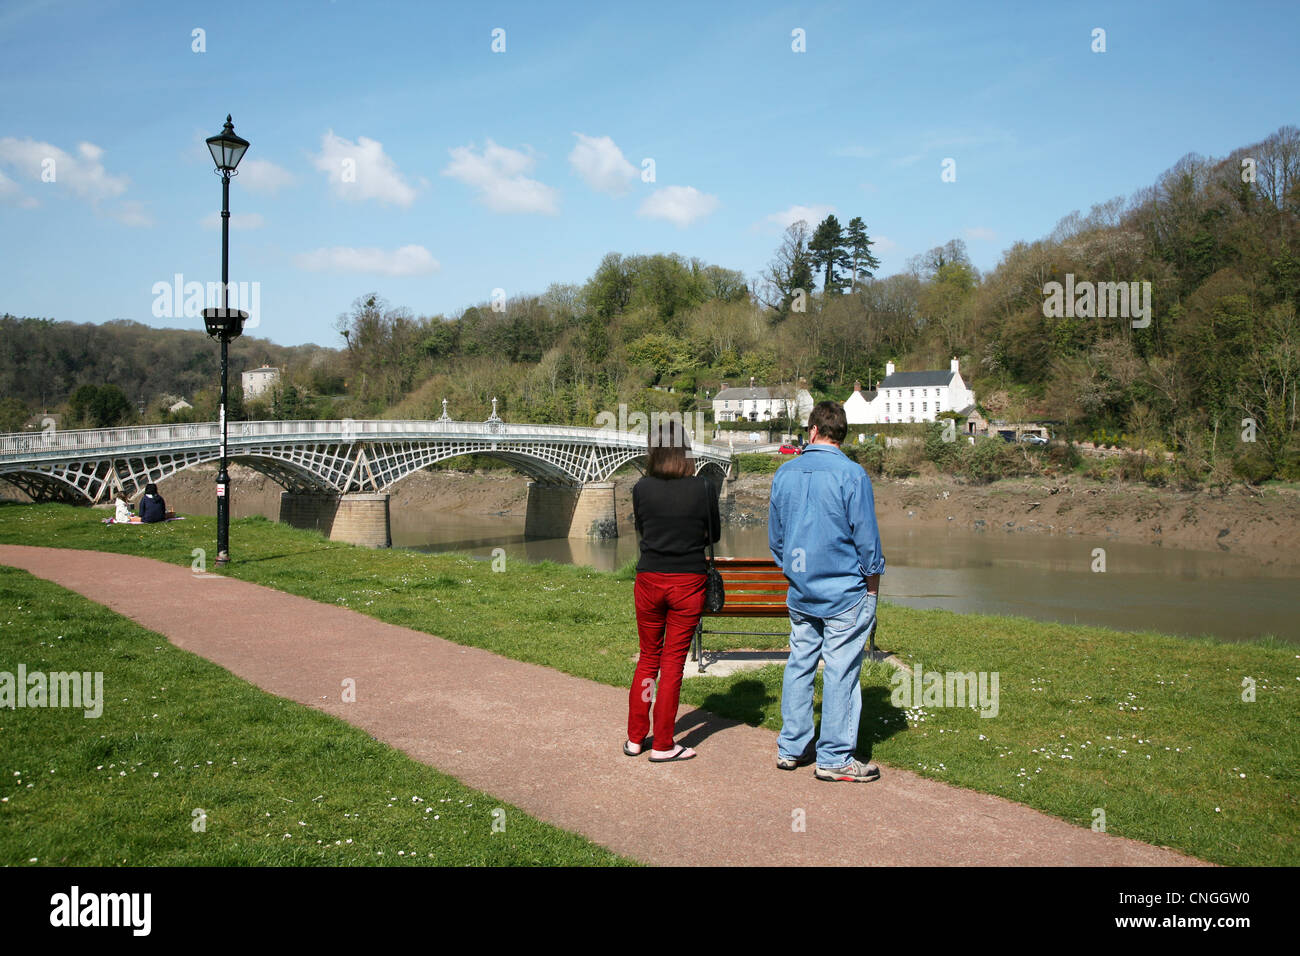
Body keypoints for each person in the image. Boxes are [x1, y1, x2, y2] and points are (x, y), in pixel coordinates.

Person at [769, 400, 885, 782]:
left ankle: (793, 746)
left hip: (802, 592)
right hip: (843, 593)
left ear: (813, 431)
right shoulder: (853, 475)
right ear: (841, 434)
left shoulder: (785, 474)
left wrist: (796, 572)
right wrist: (872, 590)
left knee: (800, 663)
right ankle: (834, 757)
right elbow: (867, 543)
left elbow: (777, 541)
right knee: (841, 670)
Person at [626, 418, 721, 762]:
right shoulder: (704, 488)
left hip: (649, 580)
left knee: (648, 658)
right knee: (672, 663)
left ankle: (636, 738)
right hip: (687, 583)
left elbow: (642, 529)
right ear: (685, 451)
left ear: (653, 451)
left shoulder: (641, 488)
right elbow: (714, 536)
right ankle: (664, 744)